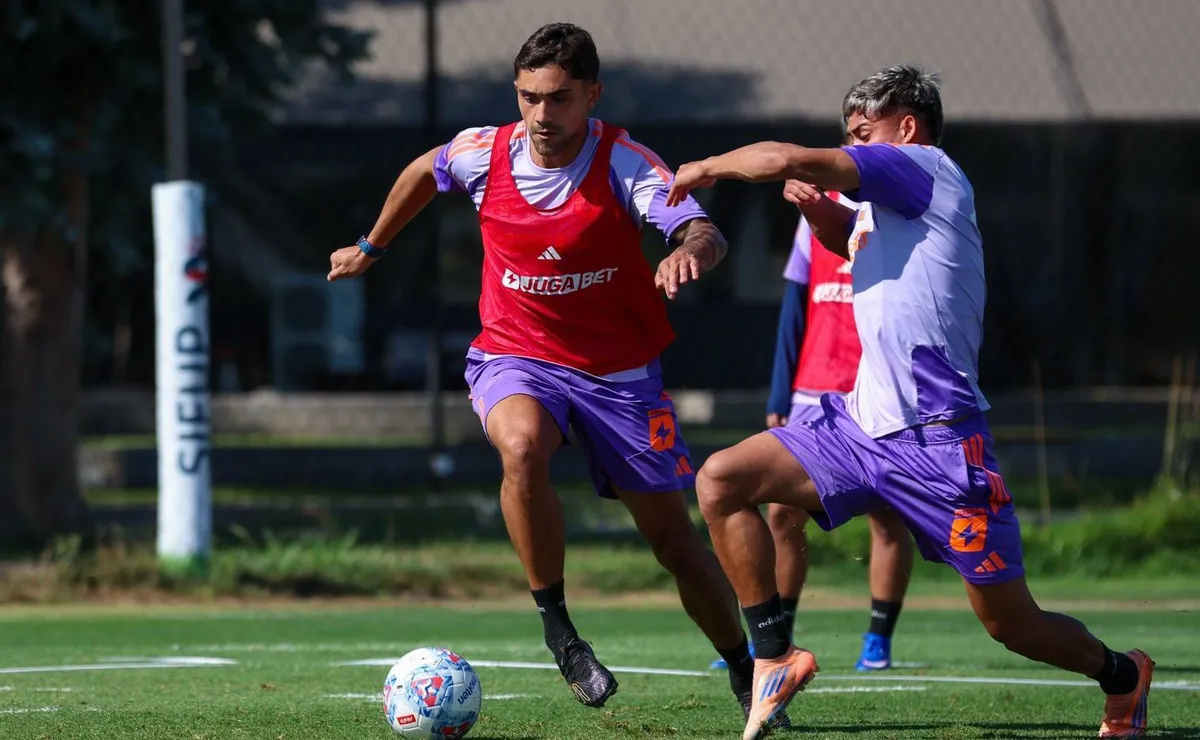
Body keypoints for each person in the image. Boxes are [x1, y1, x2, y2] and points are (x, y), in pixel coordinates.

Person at [666, 65, 1154, 740]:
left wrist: (707, 168)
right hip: (861, 426)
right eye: (848, 135)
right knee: (721, 480)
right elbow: (852, 239)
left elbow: (783, 157)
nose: (853, 143)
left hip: (940, 444)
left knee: (1010, 624)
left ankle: (1124, 676)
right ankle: (775, 655)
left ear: (908, 126)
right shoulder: (884, 203)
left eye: (864, 131)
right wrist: (816, 209)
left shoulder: (926, 167)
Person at [327, 21, 779, 725]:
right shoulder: (484, 152)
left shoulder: (625, 161)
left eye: (559, 98)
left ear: (591, 95)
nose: (542, 115)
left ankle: (748, 673)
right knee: (522, 447)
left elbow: (702, 228)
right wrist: (371, 246)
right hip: (516, 353)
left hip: (620, 375)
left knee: (674, 542)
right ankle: (560, 632)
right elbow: (423, 171)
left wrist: (690, 250)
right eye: (529, 97)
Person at [708, 188, 915, 674]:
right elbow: (796, 306)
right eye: (851, 137)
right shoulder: (815, 214)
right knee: (782, 515)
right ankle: (775, 638)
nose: (854, 147)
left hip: (876, 394)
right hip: (811, 391)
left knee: (887, 516)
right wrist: (781, 392)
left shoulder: (900, 209)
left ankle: (877, 640)